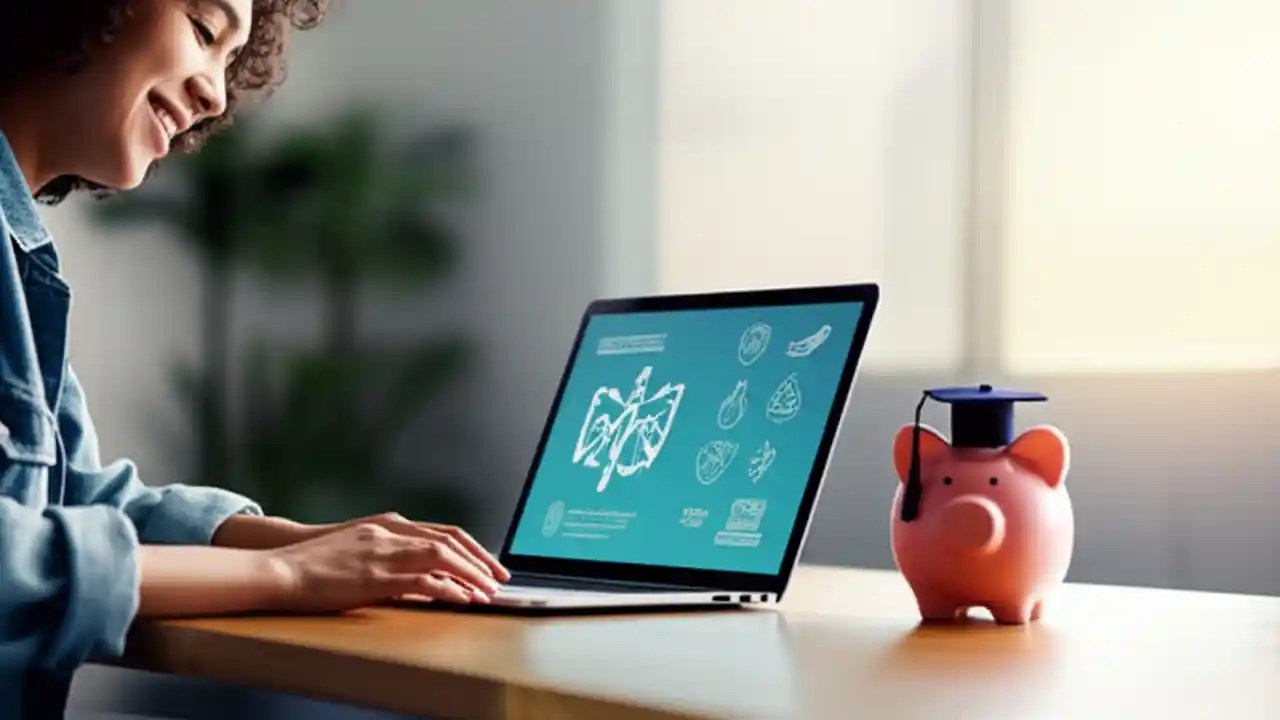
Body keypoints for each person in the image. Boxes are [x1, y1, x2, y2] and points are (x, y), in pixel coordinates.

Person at [0, 1, 509, 715]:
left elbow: (75, 497)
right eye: (205, 31)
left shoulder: (21, 258)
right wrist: (284, 575)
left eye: (231, 61)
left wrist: (315, 543)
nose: (214, 94)